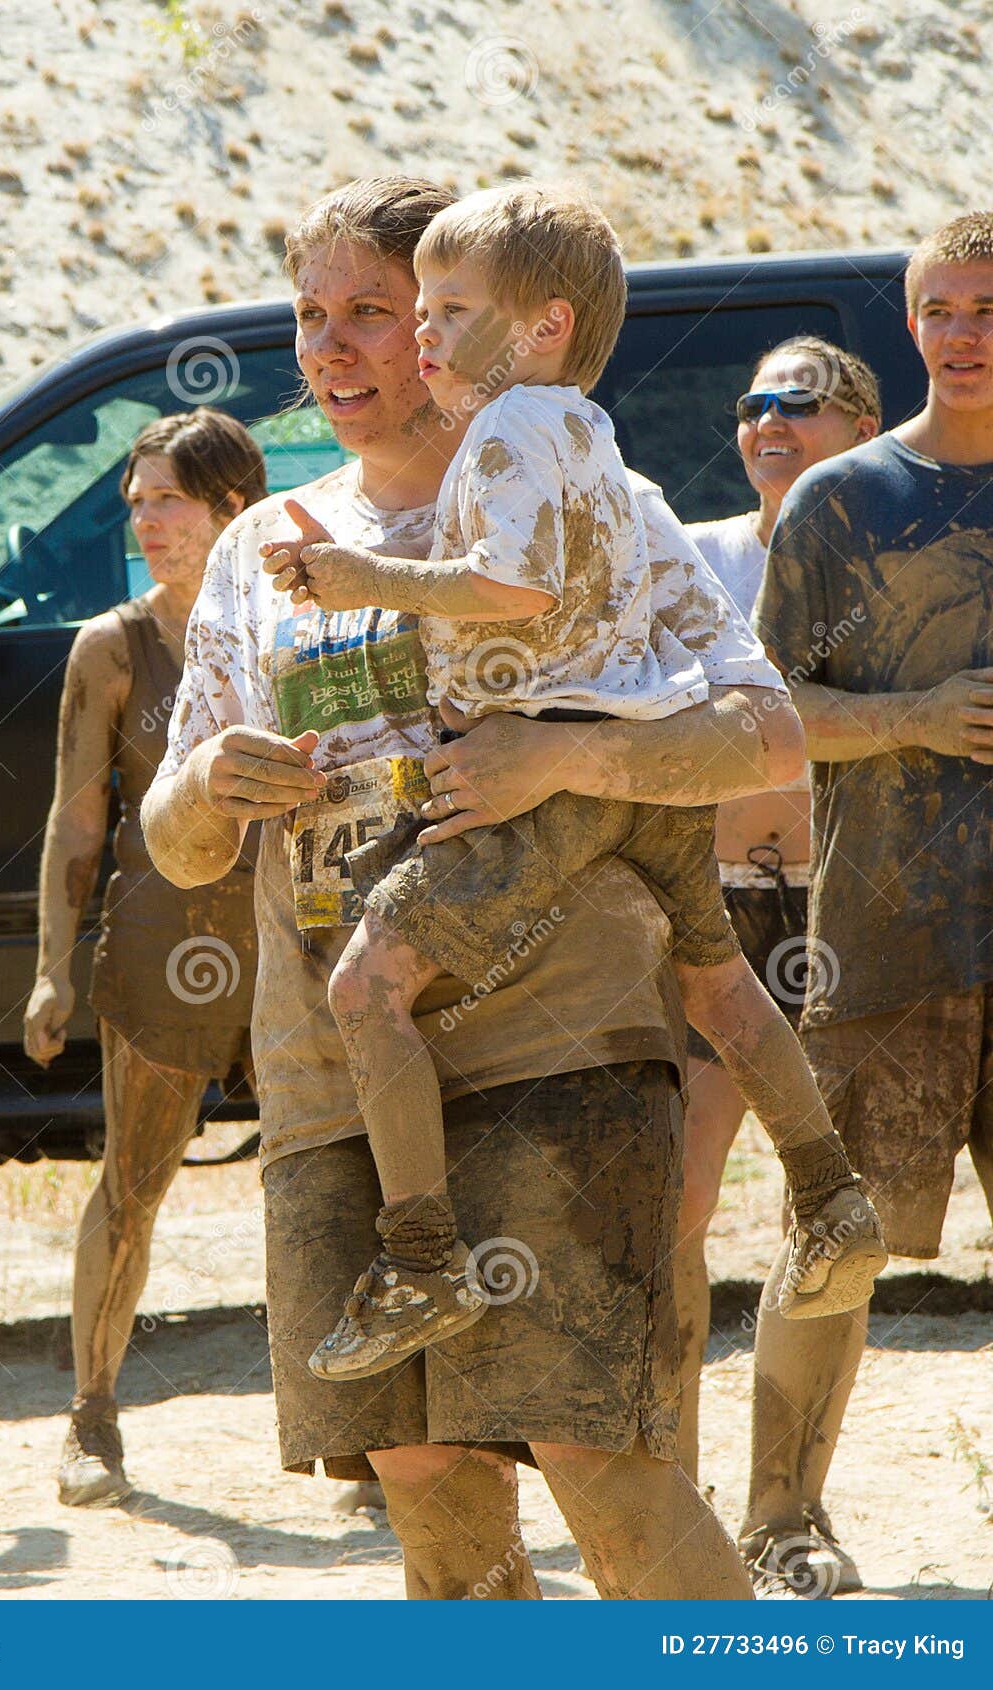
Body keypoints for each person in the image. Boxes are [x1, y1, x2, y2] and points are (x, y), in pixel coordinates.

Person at [142, 175, 806, 1601]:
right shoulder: (268, 555)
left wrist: (558, 758)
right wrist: (211, 788)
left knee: (591, 1449)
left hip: (552, 1044)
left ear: (474, 330)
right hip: (331, 1064)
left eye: (377, 314)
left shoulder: (589, 497)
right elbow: (176, 838)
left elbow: (769, 735)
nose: (334, 349)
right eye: (310, 317)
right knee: (422, 1472)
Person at [260, 189, 885, 1383]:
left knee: (364, 988)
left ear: (540, 327)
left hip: (552, 779)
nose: (424, 336)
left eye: (439, 311)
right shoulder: (588, 440)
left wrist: (356, 577)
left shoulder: (506, 432)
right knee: (718, 984)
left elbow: (517, 594)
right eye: (418, 310)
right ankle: (825, 1193)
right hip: (652, 780)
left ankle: (420, 1253)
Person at [743, 211, 993, 1595]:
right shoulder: (844, 502)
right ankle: (782, 1517)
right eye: (941, 308)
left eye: (987, 308)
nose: (963, 333)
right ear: (910, 326)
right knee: (834, 1240)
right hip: (885, 937)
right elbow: (769, 710)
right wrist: (913, 714)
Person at [23, 410, 265, 1507]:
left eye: (166, 499)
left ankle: (367, 1438)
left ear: (229, 504)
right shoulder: (114, 645)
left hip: (289, 943)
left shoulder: (297, 622)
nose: (146, 521)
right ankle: (91, 1418)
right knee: (132, 1186)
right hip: (160, 943)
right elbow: (77, 821)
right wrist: (50, 967)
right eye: (137, 504)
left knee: (335, 1180)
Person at [674, 337, 882, 1483]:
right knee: (680, 1206)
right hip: (716, 911)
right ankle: (677, 1493)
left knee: (830, 1218)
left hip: (845, 908)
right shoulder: (694, 559)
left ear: (859, 425)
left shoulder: (898, 567)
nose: (765, 422)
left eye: (795, 404)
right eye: (750, 403)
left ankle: (786, 1501)